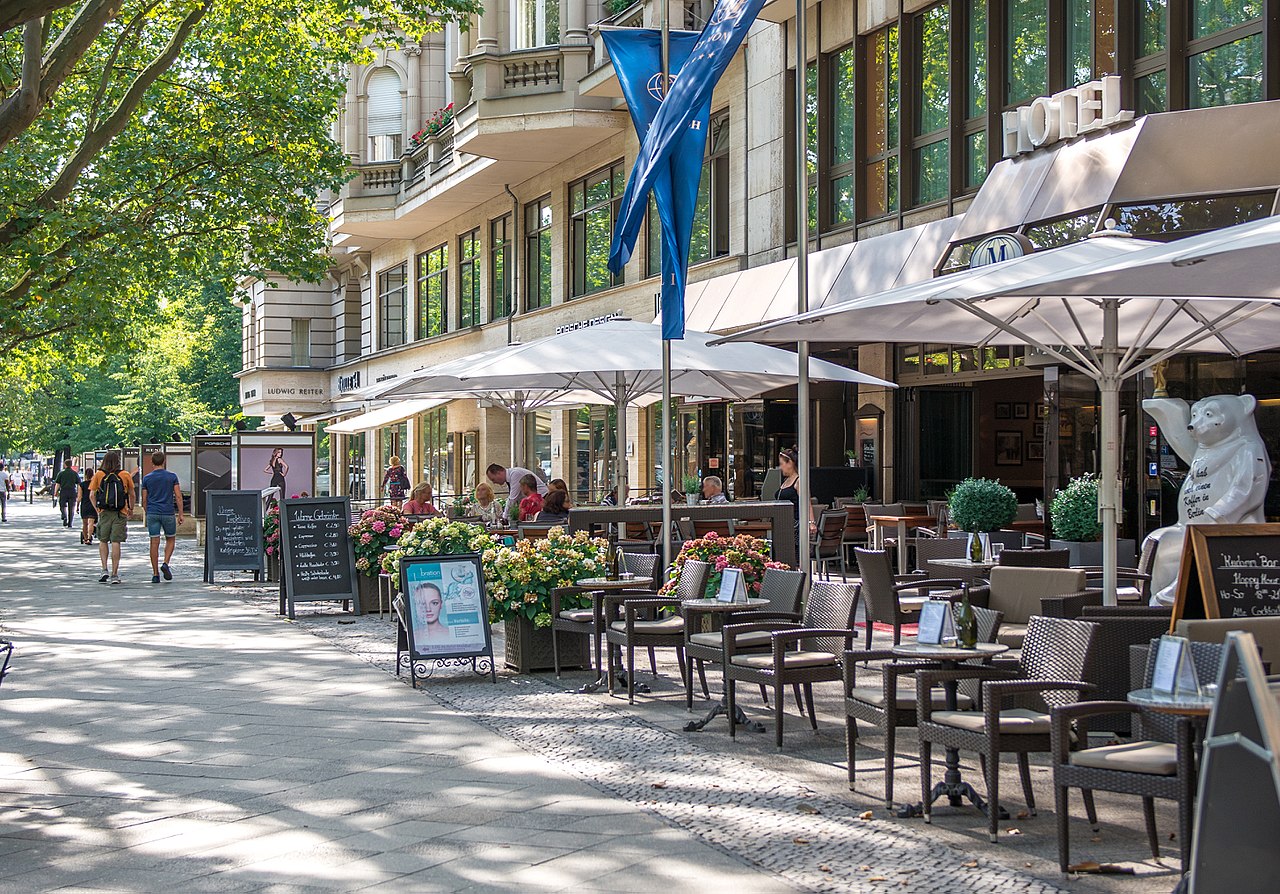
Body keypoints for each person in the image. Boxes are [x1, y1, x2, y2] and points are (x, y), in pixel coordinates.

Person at [89, 451, 135, 584]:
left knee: (103, 540)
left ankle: (104, 569)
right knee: (116, 542)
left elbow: (92, 495)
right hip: (120, 512)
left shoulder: (99, 474)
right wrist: (130, 508)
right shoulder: (125, 474)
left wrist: (98, 509)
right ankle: (115, 574)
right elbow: (131, 494)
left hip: (104, 512)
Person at [140, 451, 183, 584]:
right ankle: (165, 562)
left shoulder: (147, 478)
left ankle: (155, 574)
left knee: (154, 542)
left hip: (153, 512)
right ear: (164, 461)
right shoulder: (172, 477)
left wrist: (148, 511)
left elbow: (144, 499)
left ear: (152, 463)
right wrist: (180, 513)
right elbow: (178, 496)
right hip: (168, 512)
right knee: (170, 539)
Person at [777, 448, 816, 547]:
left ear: (789, 463)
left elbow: (807, 503)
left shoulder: (798, 481)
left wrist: (811, 522)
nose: (780, 467)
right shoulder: (786, 480)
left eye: (782, 464)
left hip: (794, 525)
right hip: (783, 524)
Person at [411, 581, 451, 645]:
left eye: (434, 603)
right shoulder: (413, 637)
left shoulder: (451, 634)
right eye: (422, 603)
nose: (428, 609)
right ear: (416, 606)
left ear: (441, 604)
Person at [53, 460, 81, 528]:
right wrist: (79, 493)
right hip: (72, 491)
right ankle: (70, 522)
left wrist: (55, 492)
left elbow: (58, 484)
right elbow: (79, 484)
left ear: (65, 464)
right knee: (71, 508)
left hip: (64, 491)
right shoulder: (74, 473)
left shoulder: (61, 473)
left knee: (62, 505)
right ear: (71, 465)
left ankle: (64, 516)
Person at [78, 467, 97, 544]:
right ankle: (89, 538)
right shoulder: (95, 484)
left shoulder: (81, 485)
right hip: (92, 504)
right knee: (91, 522)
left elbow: (79, 497)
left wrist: (77, 506)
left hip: (84, 505)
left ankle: (85, 539)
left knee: (85, 523)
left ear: (85, 475)